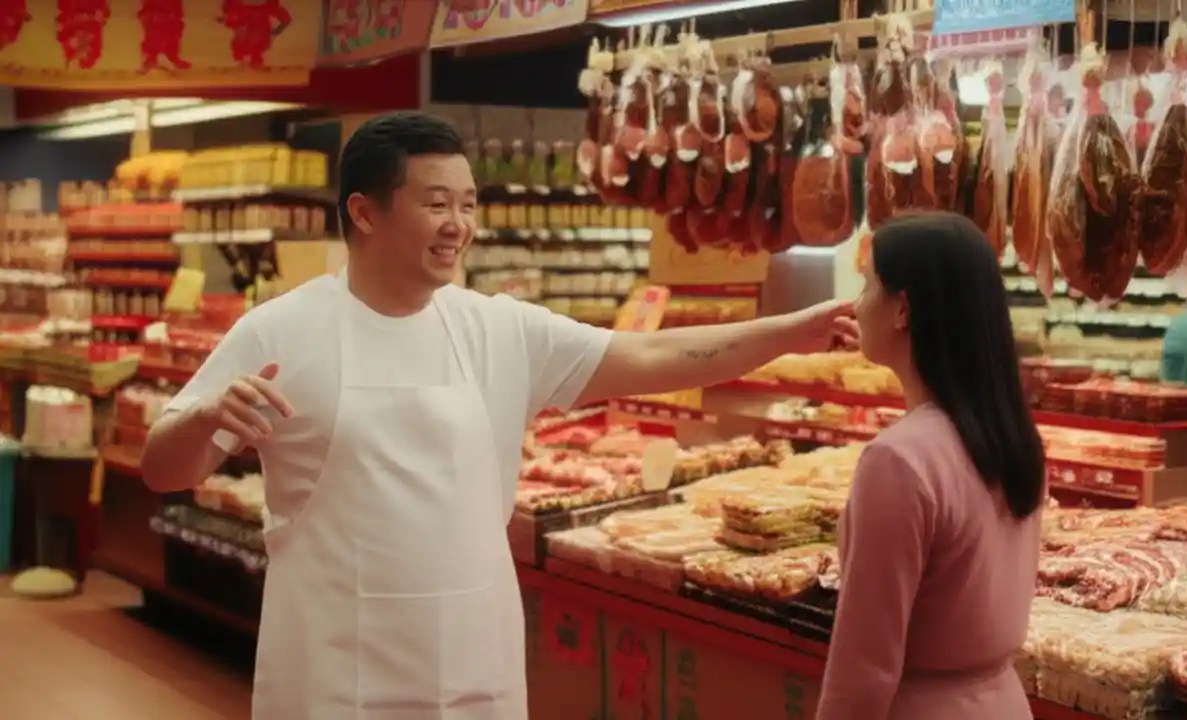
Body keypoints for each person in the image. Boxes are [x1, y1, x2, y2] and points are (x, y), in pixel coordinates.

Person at [140, 111, 856, 720]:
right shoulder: (279, 332)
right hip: (334, 674)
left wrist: (788, 333)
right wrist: (205, 416)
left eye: (468, 204)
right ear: (364, 211)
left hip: (469, 668)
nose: (459, 225)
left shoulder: (498, 330)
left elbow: (657, 357)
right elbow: (164, 469)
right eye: (436, 204)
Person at [815, 212, 1044, 720]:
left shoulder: (898, 460)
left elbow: (864, 670)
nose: (857, 302)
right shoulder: (1012, 436)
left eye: (869, 284)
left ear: (903, 309)